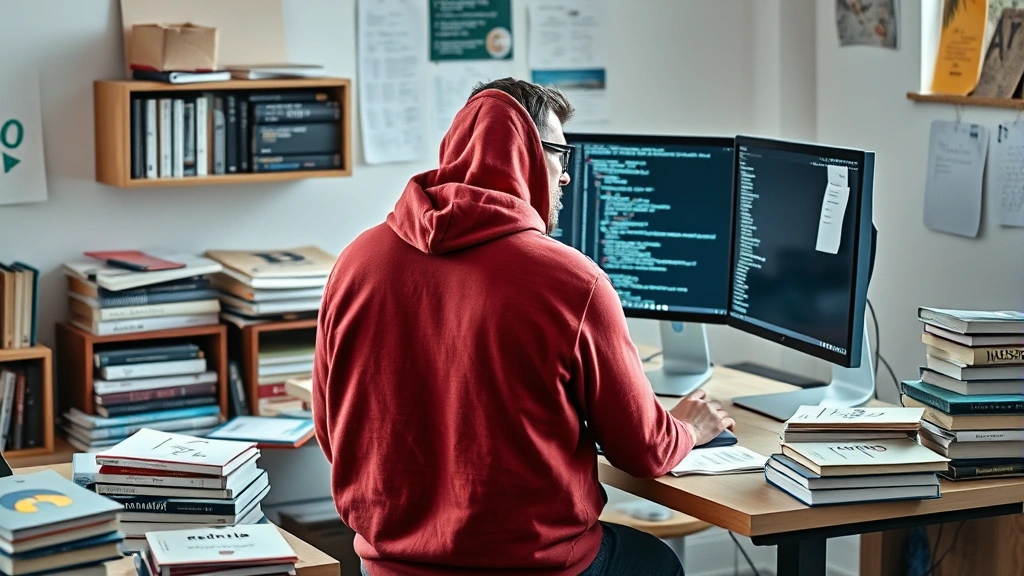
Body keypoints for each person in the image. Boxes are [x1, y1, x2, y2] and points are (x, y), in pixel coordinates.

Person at [312, 78, 735, 576]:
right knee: (656, 564)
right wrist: (688, 427)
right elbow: (644, 451)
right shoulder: (571, 280)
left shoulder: (358, 259)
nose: (565, 178)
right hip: (529, 566)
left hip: (387, 567)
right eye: (559, 154)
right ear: (526, 156)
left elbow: (331, 428)